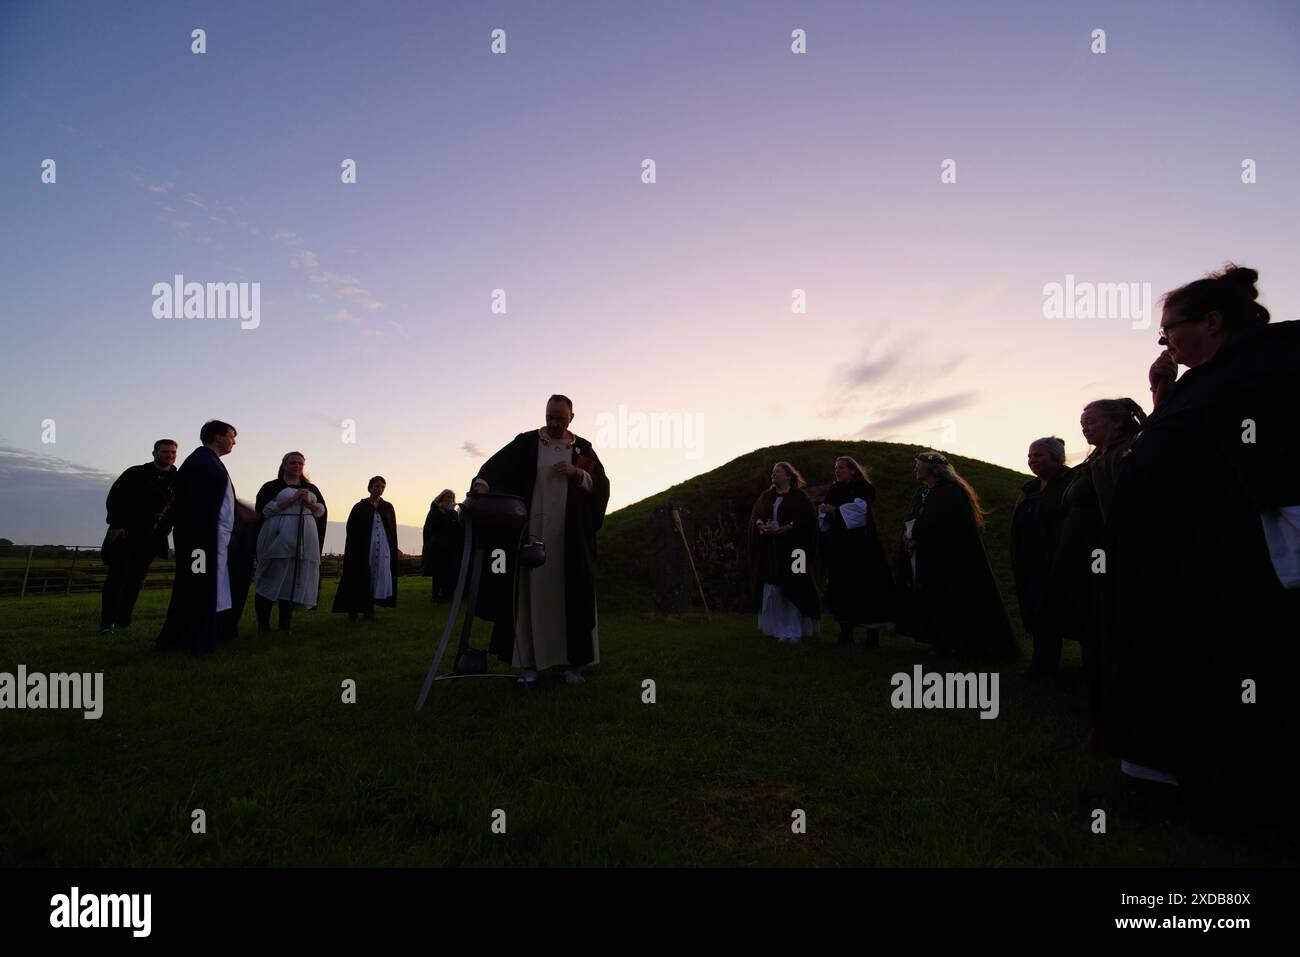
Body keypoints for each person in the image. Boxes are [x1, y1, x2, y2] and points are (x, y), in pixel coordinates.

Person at [1107, 263, 1300, 818]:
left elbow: (1278, 455)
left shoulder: (1269, 365)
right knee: (1180, 669)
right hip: (1175, 566)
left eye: (1169, 328)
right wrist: (1164, 394)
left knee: (1233, 671)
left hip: (1227, 564)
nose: (1163, 340)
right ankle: (1175, 768)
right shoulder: (1202, 379)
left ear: (1212, 321)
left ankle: (1241, 792)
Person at [470, 394, 610, 685]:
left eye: (560, 418)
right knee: (528, 598)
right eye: (549, 417)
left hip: (569, 542)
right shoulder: (527, 442)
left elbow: (601, 485)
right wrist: (482, 483)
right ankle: (528, 663)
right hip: (531, 539)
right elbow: (496, 468)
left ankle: (571, 665)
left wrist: (579, 473)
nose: (553, 423)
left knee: (571, 598)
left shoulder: (582, 448)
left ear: (572, 417)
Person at [1051, 400, 1145, 739]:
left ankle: (1111, 719)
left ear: (1117, 424)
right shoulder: (1096, 460)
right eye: (1081, 422)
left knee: (1107, 639)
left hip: (1106, 565)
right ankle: (1100, 714)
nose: (1084, 427)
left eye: (1091, 421)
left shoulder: (1124, 456)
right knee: (1094, 639)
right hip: (1086, 564)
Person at [906, 451, 1018, 661]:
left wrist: (920, 537)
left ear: (931, 470)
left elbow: (945, 526)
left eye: (918, 465)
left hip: (950, 558)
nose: (915, 469)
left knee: (954, 600)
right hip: (932, 556)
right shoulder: (929, 492)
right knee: (937, 601)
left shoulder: (950, 492)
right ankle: (943, 642)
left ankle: (963, 645)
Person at [156, 421, 257, 654]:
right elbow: (193, 504)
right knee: (198, 585)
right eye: (231, 436)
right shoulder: (202, 462)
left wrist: (239, 509)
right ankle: (193, 640)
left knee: (207, 584)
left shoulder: (211, 463)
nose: (234, 441)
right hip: (200, 542)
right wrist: (203, 539)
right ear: (217, 437)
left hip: (212, 538)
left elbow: (219, 498)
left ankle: (200, 635)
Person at [99, 439, 178, 635]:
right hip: (127, 533)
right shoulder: (135, 473)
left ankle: (123, 618)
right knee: (117, 577)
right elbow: (115, 498)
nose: (169, 455)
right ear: (154, 453)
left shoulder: (178, 479)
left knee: (136, 578)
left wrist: (164, 531)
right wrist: (116, 524)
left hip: (152, 537)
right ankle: (107, 622)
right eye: (165, 451)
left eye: (173, 452)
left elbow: (176, 509)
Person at [1009, 437, 1074, 672]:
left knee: (1058, 610)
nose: (1032, 460)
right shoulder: (1030, 489)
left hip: (1057, 560)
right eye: (1030, 456)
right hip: (1031, 562)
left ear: (1057, 458)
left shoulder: (1070, 483)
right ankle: (1043, 661)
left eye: (1039, 455)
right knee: (1038, 612)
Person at [818, 455, 894, 646]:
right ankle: (846, 630)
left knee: (866, 587)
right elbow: (825, 509)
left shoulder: (862, 487)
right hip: (840, 546)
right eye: (836, 467)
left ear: (853, 470)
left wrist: (834, 510)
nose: (837, 470)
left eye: (842, 467)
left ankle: (872, 634)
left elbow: (860, 510)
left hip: (862, 546)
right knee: (843, 586)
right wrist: (826, 511)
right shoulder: (835, 488)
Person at [253, 452, 327, 632]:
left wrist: (308, 503)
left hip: (305, 537)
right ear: (284, 465)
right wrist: (293, 499)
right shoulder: (271, 486)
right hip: (278, 536)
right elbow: (265, 510)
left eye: (300, 463)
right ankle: (263, 625)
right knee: (271, 576)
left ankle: (284, 624)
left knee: (293, 579)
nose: (297, 466)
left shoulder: (311, 487)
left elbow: (321, 511)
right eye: (293, 462)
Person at [749, 461, 820, 644]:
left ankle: (794, 629)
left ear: (788, 476)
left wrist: (787, 528)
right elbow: (757, 516)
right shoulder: (767, 496)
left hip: (796, 551)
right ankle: (778, 628)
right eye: (773, 472)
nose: (773, 475)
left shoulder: (799, 497)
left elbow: (808, 521)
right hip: (772, 549)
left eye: (778, 472)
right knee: (775, 586)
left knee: (796, 585)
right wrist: (762, 525)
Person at [333, 477, 399, 621]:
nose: (379, 489)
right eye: (376, 486)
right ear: (370, 487)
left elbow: (391, 529)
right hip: (363, 547)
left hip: (382, 547)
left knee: (376, 577)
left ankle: (369, 610)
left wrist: (392, 547)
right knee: (360, 576)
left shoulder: (387, 507)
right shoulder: (360, 506)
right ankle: (354, 610)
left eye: (382, 487)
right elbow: (351, 529)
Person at [421, 489, 463, 602]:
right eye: (447, 497)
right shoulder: (435, 512)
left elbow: (456, 529)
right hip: (438, 547)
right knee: (438, 573)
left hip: (451, 547)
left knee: (451, 572)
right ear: (442, 497)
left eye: (451, 497)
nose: (449, 499)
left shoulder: (454, 513)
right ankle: (436, 595)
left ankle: (448, 595)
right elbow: (435, 528)